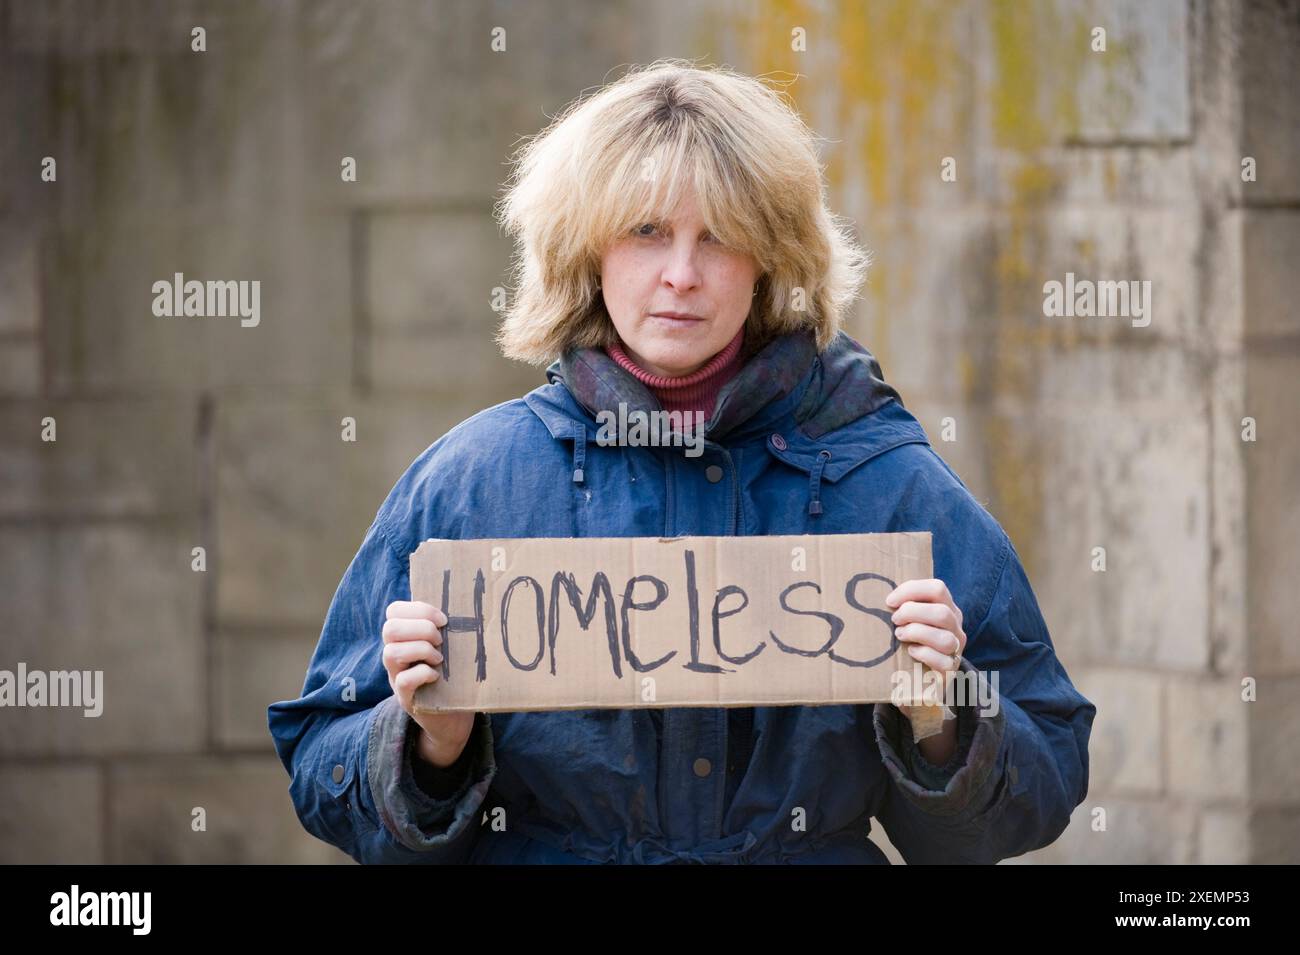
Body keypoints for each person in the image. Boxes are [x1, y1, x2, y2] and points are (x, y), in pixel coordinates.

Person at [268, 59, 1095, 864]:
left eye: (721, 237)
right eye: (646, 231)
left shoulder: (887, 482)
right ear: (586, 250)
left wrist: (944, 724)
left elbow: (1039, 780)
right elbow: (320, 762)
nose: (681, 275)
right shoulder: (472, 480)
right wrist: (427, 745)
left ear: (771, 256)